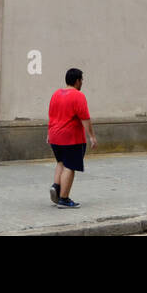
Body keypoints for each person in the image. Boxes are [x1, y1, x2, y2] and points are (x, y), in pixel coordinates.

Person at [46, 67, 96, 208]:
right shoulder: (78, 96)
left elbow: (52, 116)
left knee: (61, 162)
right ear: (77, 81)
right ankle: (64, 199)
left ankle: (56, 187)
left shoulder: (56, 94)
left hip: (55, 136)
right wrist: (92, 137)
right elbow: (85, 119)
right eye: (82, 80)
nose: (82, 83)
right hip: (71, 138)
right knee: (70, 167)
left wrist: (49, 133)